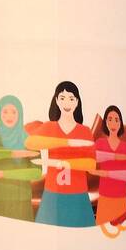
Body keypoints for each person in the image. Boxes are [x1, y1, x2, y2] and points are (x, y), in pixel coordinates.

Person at [26, 81, 96, 227]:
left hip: (78, 195)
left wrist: (63, 163)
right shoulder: (49, 127)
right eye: (62, 97)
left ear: (77, 102)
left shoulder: (85, 131)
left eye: (71, 98)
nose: (67, 102)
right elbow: (30, 143)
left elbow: (91, 165)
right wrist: (68, 142)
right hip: (53, 194)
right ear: (56, 100)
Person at [91, 104, 126, 236]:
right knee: (102, 234)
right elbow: (94, 158)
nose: (113, 123)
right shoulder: (100, 143)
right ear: (105, 122)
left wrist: (105, 173)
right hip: (105, 196)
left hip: (120, 197)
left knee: (120, 234)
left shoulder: (125, 147)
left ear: (120, 123)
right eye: (110, 119)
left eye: (117, 120)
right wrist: (116, 156)